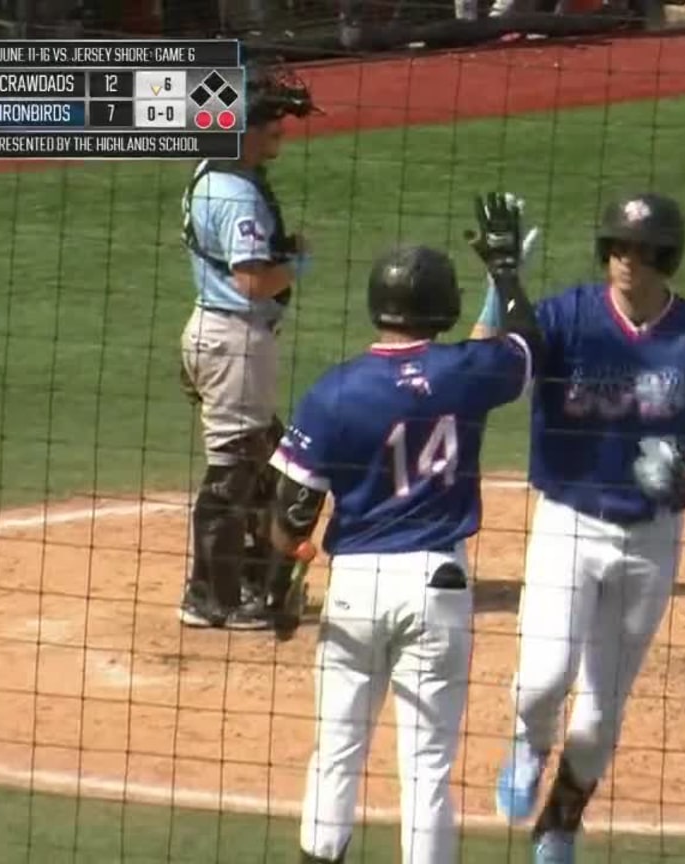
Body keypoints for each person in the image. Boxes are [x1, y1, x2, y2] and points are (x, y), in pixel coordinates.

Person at [471, 192, 685, 863]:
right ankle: (528, 741)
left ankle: (561, 825)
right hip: (567, 524)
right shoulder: (567, 318)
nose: (629, 261)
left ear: (668, 257)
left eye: (645, 250)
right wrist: (500, 284)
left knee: (601, 713)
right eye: (619, 247)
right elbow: (483, 373)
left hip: (650, 540)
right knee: (541, 681)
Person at [266, 193, 544, 864]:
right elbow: (527, 348)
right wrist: (504, 272)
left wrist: (287, 578)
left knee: (337, 749)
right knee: (426, 767)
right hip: (437, 586)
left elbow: (289, 515)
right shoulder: (464, 375)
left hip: (355, 589)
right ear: (441, 306)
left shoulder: (333, 391)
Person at [177, 64, 321, 632]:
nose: (278, 130)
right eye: (268, 122)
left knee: (267, 459)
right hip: (234, 340)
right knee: (234, 470)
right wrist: (300, 261)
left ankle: (255, 580)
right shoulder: (236, 196)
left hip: (219, 334)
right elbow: (255, 282)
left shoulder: (213, 172)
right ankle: (211, 596)